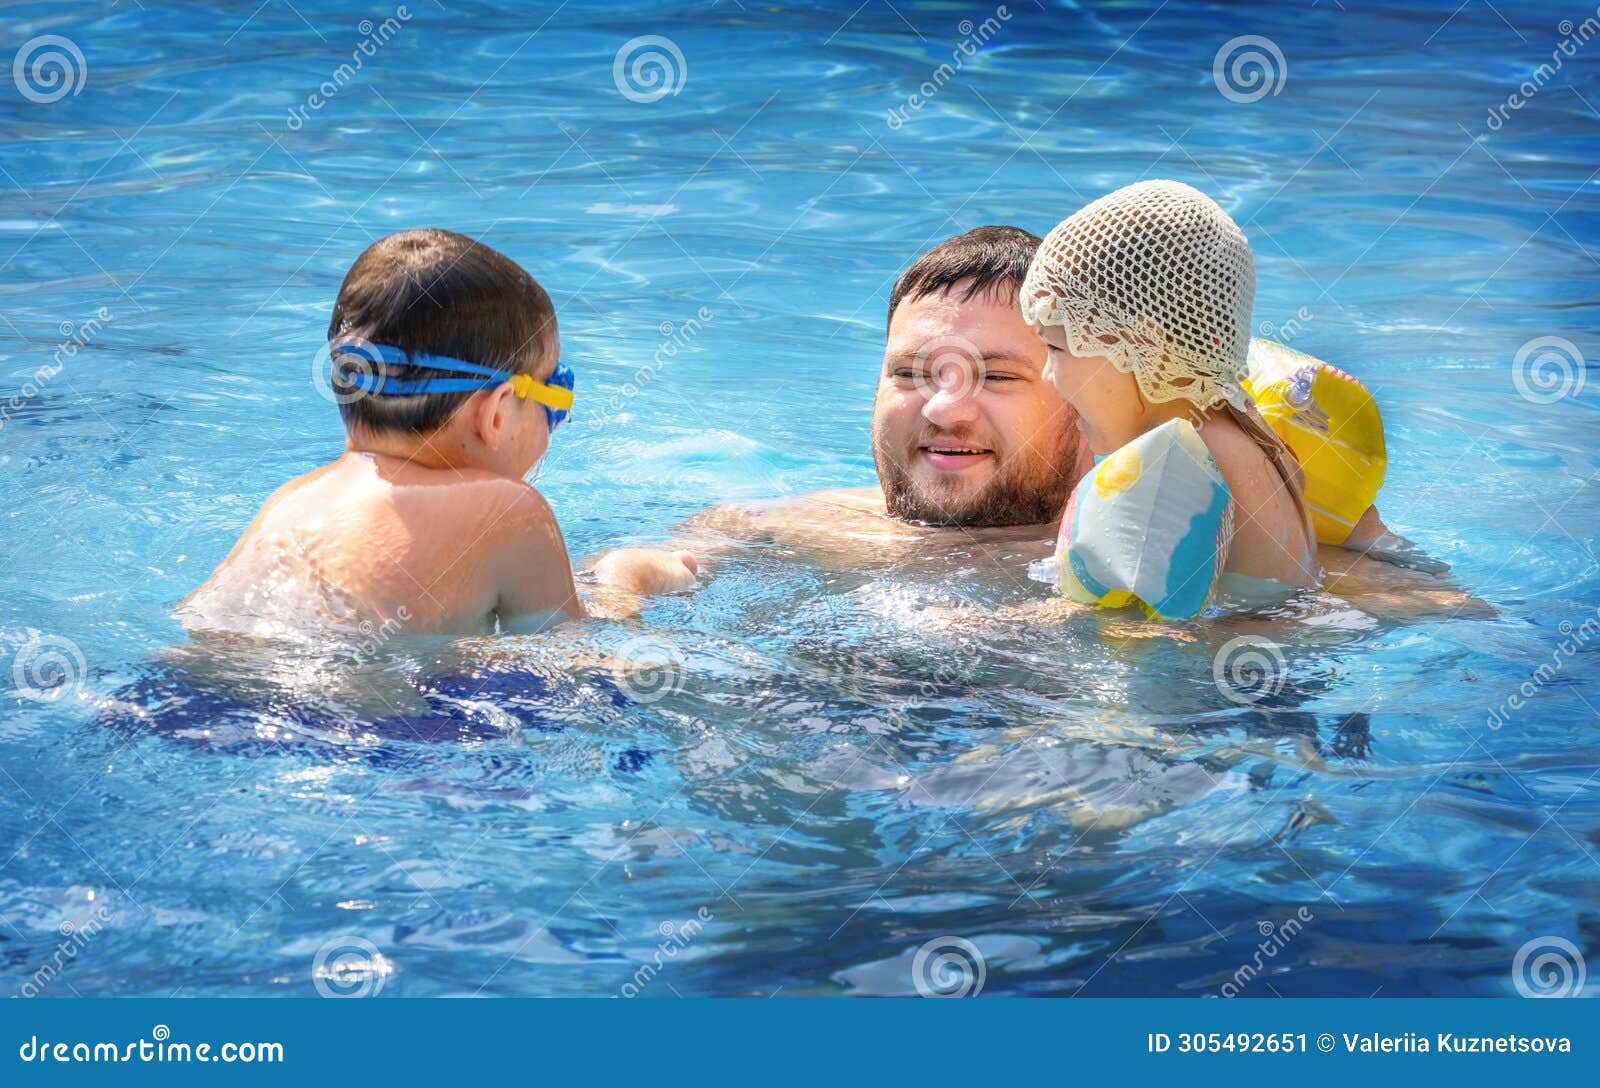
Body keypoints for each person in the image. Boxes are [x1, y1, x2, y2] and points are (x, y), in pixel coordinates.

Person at [179, 229, 696, 638]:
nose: (557, 419)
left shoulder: (291, 501)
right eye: (557, 396)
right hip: (348, 733)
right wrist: (626, 580)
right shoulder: (508, 508)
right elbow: (573, 655)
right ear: (496, 413)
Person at [1022, 179, 1317, 598]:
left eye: (1056, 346)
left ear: (1148, 347)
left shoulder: (1179, 461)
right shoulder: (1247, 429)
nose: (1047, 375)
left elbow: (1134, 633)